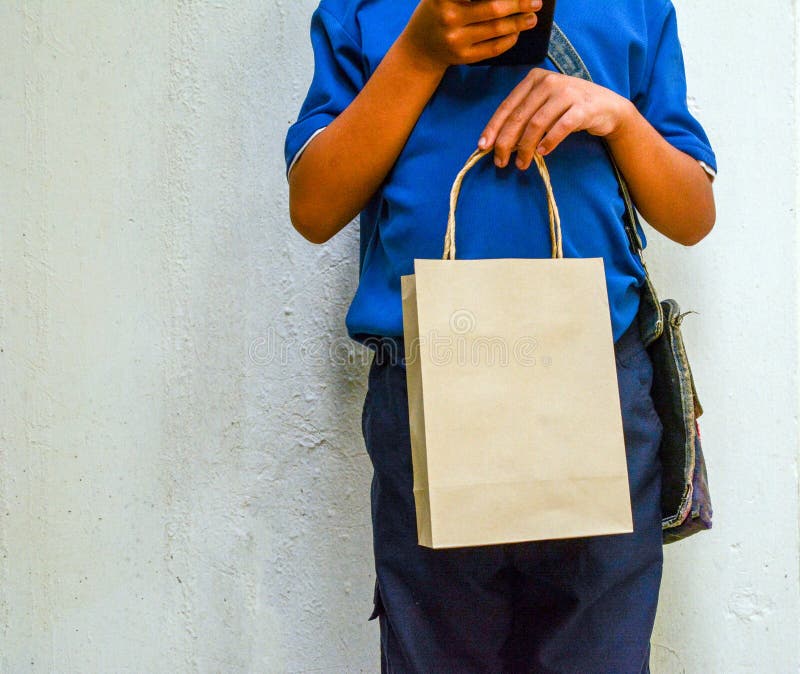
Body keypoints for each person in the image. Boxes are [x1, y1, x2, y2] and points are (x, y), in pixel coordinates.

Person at [284, 1, 717, 671]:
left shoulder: (636, 8)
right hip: (428, 385)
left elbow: (692, 214)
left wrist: (618, 117)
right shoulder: (365, 10)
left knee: (597, 651)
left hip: (599, 383)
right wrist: (421, 52)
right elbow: (314, 206)